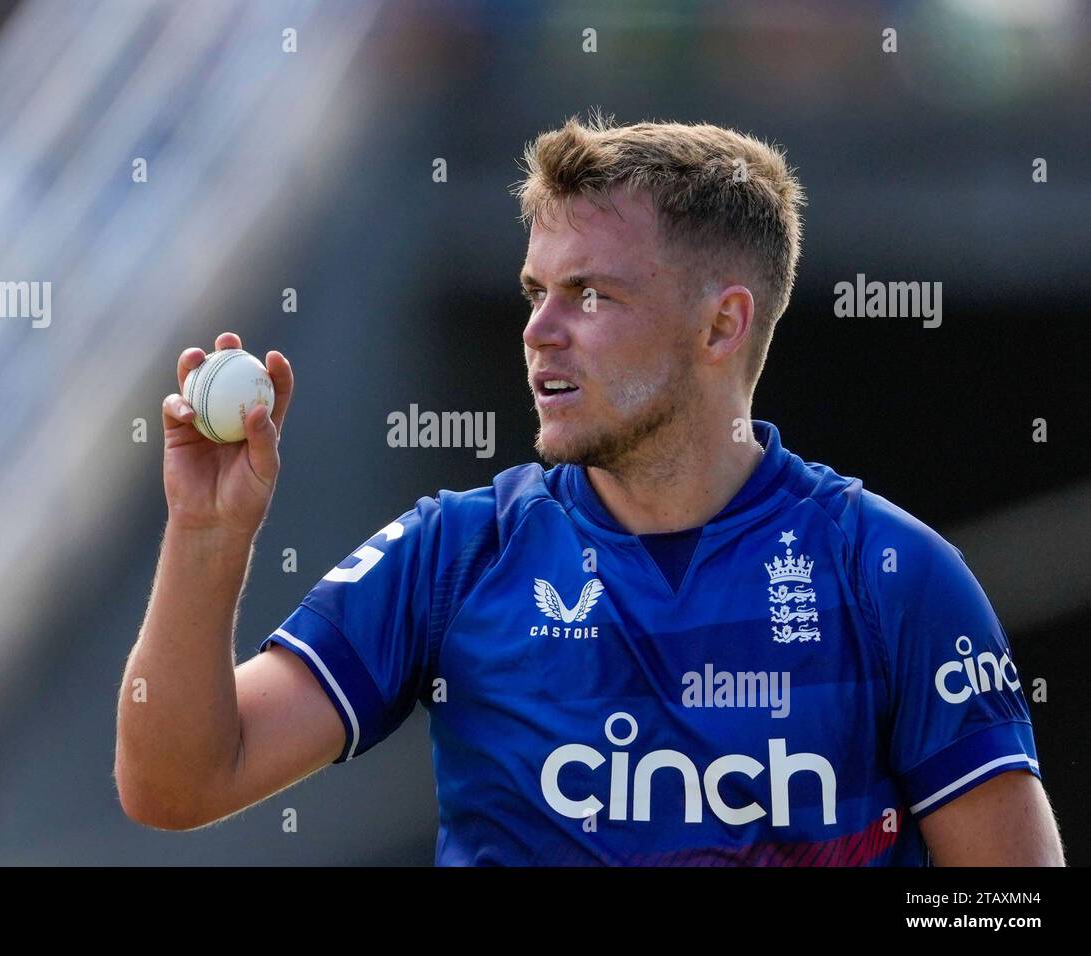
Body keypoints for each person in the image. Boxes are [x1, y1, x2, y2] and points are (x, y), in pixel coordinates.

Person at [115, 112, 1063, 865]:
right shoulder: (458, 553)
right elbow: (176, 786)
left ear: (722, 325)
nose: (539, 332)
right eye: (536, 293)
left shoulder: (892, 573)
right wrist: (207, 533)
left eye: (592, 296)